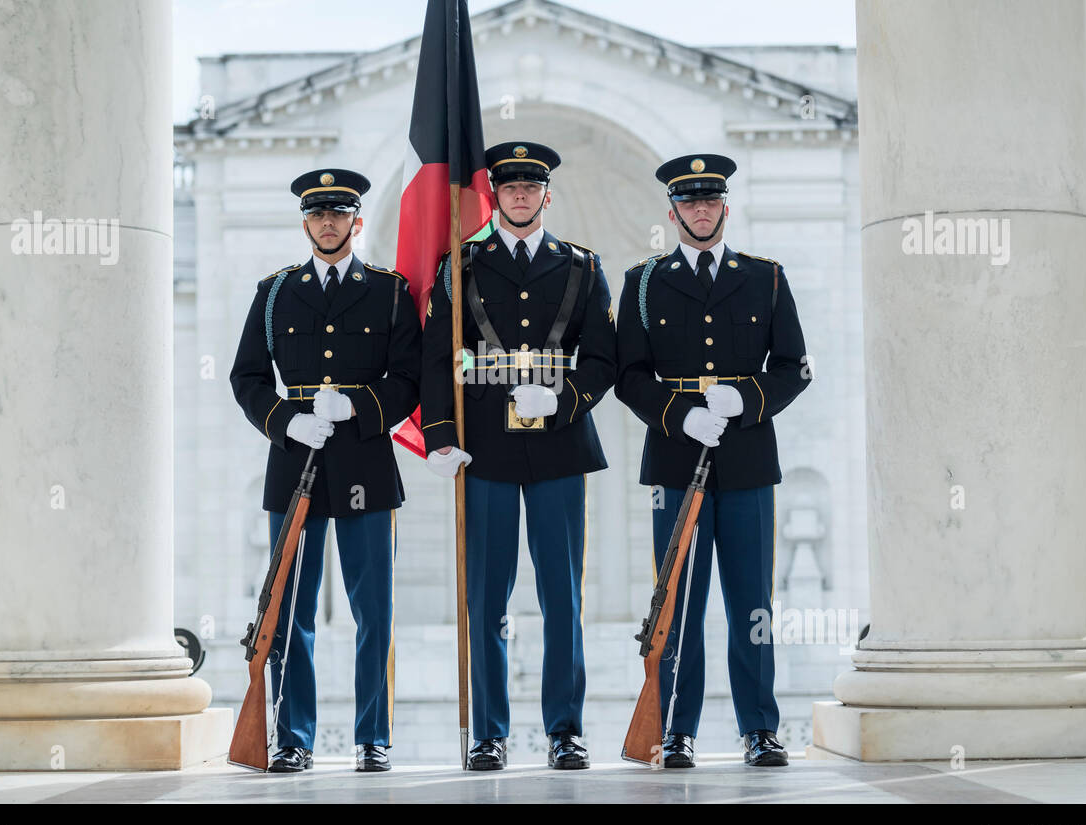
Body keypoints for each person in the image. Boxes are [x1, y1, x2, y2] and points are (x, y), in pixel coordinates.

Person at [421, 141, 617, 770]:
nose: (522, 196)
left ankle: (565, 730)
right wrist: (441, 434)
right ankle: (489, 732)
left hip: (559, 444)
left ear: (546, 197)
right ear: (496, 196)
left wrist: (562, 400)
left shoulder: (581, 266)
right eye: (511, 187)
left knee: (563, 597)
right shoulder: (461, 266)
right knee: (487, 599)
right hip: (485, 447)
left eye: (532, 187)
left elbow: (604, 358)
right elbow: (437, 357)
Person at [615, 153, 811, 767]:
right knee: (678, 602)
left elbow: (795, 367)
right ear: (672, 211)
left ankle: (759, 728)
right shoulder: (643, 282)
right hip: (676, 461)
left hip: (747, 461)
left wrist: (746, 398)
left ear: (726, 206)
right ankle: (676, 729)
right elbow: (628, 376)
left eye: (710, 200)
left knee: (752, 603)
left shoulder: (765, 278)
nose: (700, 210)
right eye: (689, 202)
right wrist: (681, 414)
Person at [230, 168, 421, 773]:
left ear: (357, 222)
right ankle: (294, 738)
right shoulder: (275, 293)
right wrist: (285, 421)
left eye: (339, 213)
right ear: (305, 223)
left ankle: (373, 737)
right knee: (290, 610)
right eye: (318, 214)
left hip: (365, 458)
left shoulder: (389, 292)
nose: (329, 222)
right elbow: (247, 377)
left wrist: (360, 406)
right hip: (296, 462)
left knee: (374, 613)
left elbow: (410, 379)